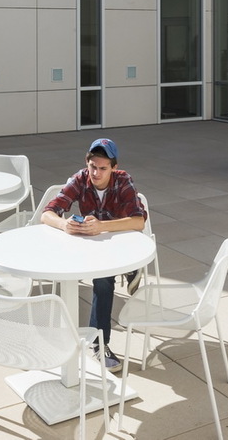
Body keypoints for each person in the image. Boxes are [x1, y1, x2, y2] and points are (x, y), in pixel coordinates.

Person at [41, 138, 148, 370]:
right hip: (95, 244)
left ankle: (100, 344)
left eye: (103, 168)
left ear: (114, 168)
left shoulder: (123, 180)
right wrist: (64, 224)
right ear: (86, 163)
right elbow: (47, 213)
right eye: (93, 167)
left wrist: (102, 226)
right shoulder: (79, 179)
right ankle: (128, 270)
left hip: (122, 240)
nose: (97, 173)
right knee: (96, 276)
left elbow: (139, 221)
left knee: (102, 280)